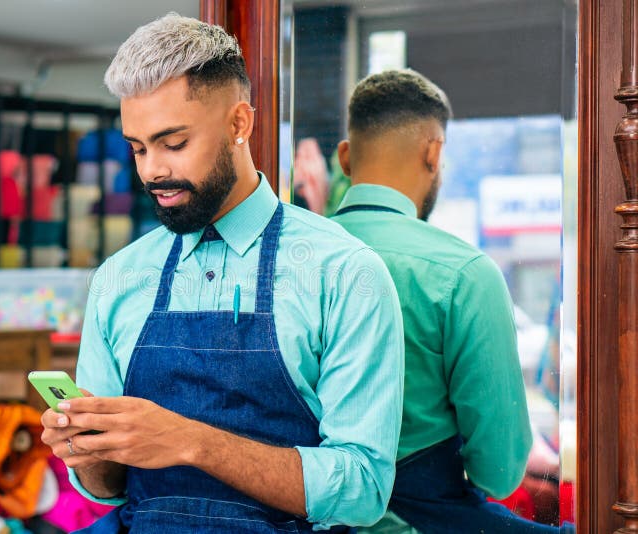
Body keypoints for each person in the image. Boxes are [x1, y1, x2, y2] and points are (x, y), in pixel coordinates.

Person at [39, 13, 405, 533]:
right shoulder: (118, 278)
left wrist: (190, 441)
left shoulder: (343, 273)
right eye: (138, 148)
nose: (151, 171)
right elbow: (108, 487)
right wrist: (87, 450)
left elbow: (362, 488)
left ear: (239, 124)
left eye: (174, 143)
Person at [333, 69, 564, 533]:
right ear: (434, 153)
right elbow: (498, 472)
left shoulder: (283, 259)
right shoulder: (463, 275)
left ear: (344, 158)